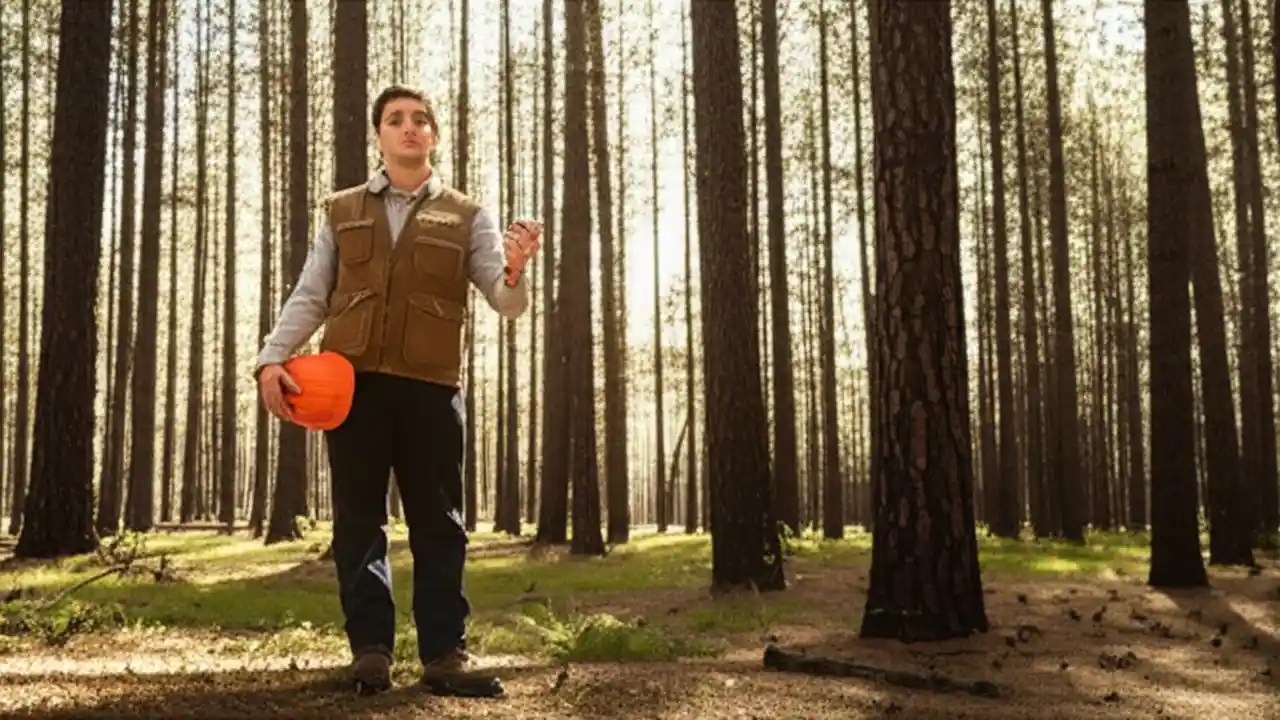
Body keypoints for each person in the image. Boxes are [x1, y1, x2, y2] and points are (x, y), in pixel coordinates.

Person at [255, 84, 541, 696]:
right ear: (379, 135)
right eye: (395, 120)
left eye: (420, 120)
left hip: (431, 391)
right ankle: (371, 655)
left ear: (433, 135)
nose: (409, 128)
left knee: (440, 523)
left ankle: (444, 657)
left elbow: (506, 299)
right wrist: (271, 359)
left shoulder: (469, 215)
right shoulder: (342, 208)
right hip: (352, 387)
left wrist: (516, 266)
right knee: (358, 523)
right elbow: (312, 292)